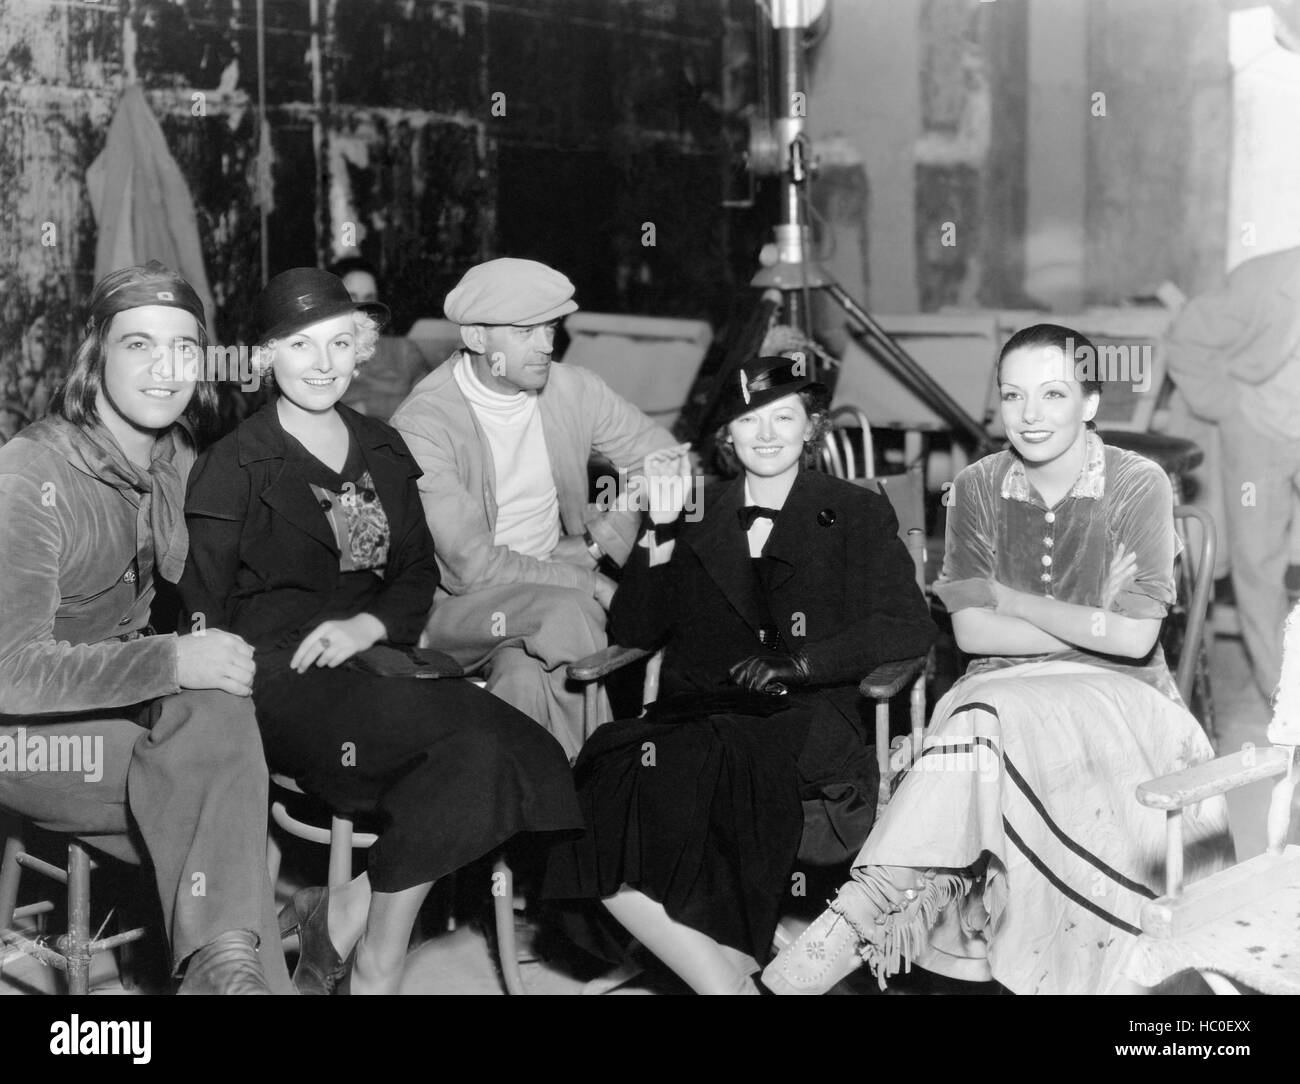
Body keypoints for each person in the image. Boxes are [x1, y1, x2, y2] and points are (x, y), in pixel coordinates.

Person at [764, 324, 1233, 996]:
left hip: (1126, 697)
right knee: (986, 719)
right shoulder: (976, 488)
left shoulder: (1138, 484)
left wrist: (1015, 599)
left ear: (1091, 403)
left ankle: (853, 920)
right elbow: (974, 636)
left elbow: (1132, 644)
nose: (1031, 414)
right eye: (1014, 396)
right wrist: (1086, 616)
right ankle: (864, 921)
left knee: (978, 724)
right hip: (1000, 689)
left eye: (1053, 393)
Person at [179, 268, 583, 995]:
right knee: (476, 751)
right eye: (300, 345)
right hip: (278, 679)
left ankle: (348, 925)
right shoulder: (232, 465)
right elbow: (201, 611)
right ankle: (374, 961)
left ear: (361, 348)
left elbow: (416, 577)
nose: (323, 363)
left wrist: (364, 624)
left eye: (340, 342)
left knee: (524, 744)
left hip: (380, 659)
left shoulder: (382, 449)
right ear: (266, 356)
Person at [543, 356, 937, 995]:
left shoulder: (853, 511)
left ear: (812, 427)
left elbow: (905, 626)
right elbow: (636, 631)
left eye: (784, 417)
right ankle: (731, 979)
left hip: (807, 714)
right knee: (605, 769)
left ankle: (726, 978)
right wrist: (660, 527)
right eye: (749, 420)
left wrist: (804, 663)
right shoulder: (700, 512)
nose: (767, 433)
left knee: (667, 779)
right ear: (727, 434)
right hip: (700, 711)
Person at [0, 262, 292, 994]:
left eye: (185, 350)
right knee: (218, 784)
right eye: (139, 345)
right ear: (96, 355)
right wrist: (171, 661)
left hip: (115, 708)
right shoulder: (30, 473)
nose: (167, 370)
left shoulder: (175, 460)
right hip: (21, 734)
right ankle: (267, 955)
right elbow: (11, 670)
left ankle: (227, 974)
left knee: (222, 716)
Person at [390, 257, 679, 759]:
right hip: (455, 613)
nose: (546, 344)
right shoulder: (424, 424)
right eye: (525, 331)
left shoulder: (572, 390)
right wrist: (591, 582)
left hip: (540, 616)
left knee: (523, 684)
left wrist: (597, 542)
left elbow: (669, 463)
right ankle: (606, 780)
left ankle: (515, 810)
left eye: (550, 326)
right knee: (569, 610)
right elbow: (470, 571)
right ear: (478, 339)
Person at [1162, 246, 1300, 701]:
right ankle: (1286, 700)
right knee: (1259, 564)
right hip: (1260, 428)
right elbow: (1185, 340)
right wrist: (1229, 409)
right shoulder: (1260, 282)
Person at [328, 256, 431, 420]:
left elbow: (428, 406)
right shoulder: (320, 356)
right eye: (352, 297)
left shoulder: (402, 351)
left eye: (369, 297)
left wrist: (367, 407)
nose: (361, 306)